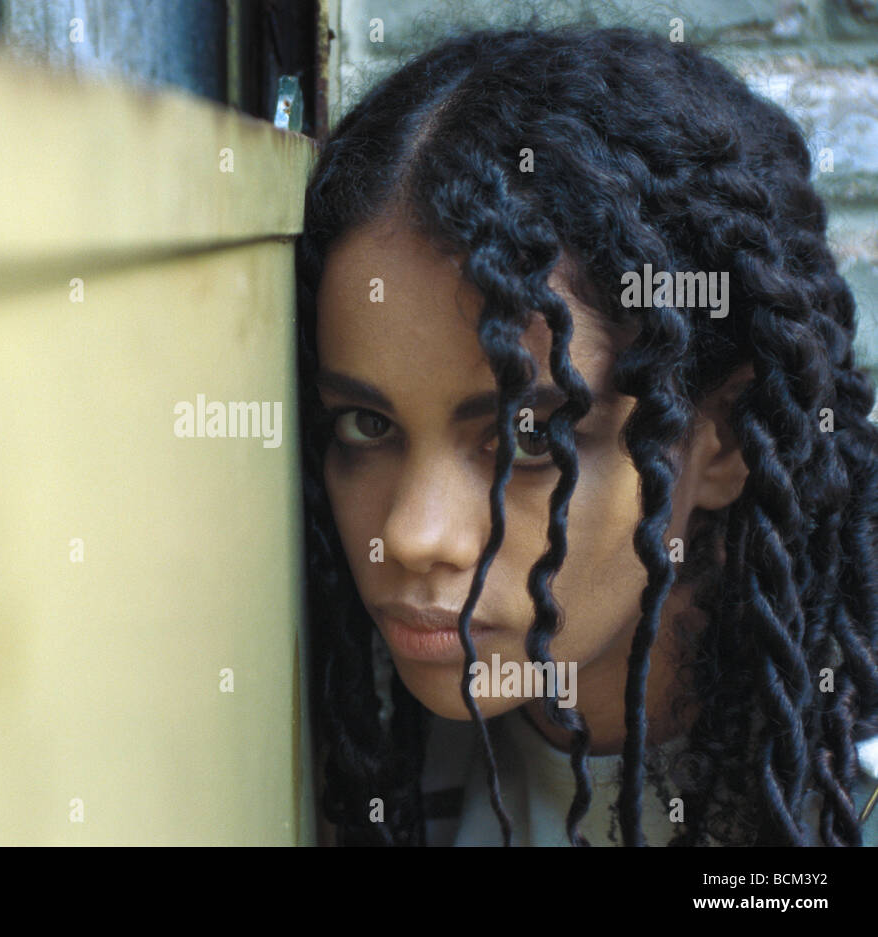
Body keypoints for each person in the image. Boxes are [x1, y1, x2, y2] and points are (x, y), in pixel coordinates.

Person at [296, 25, 878, 846]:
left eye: (530, 439)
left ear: (725, 442)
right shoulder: (356, 760)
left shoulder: (841, 796)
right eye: (367, 425)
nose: (410, 535)